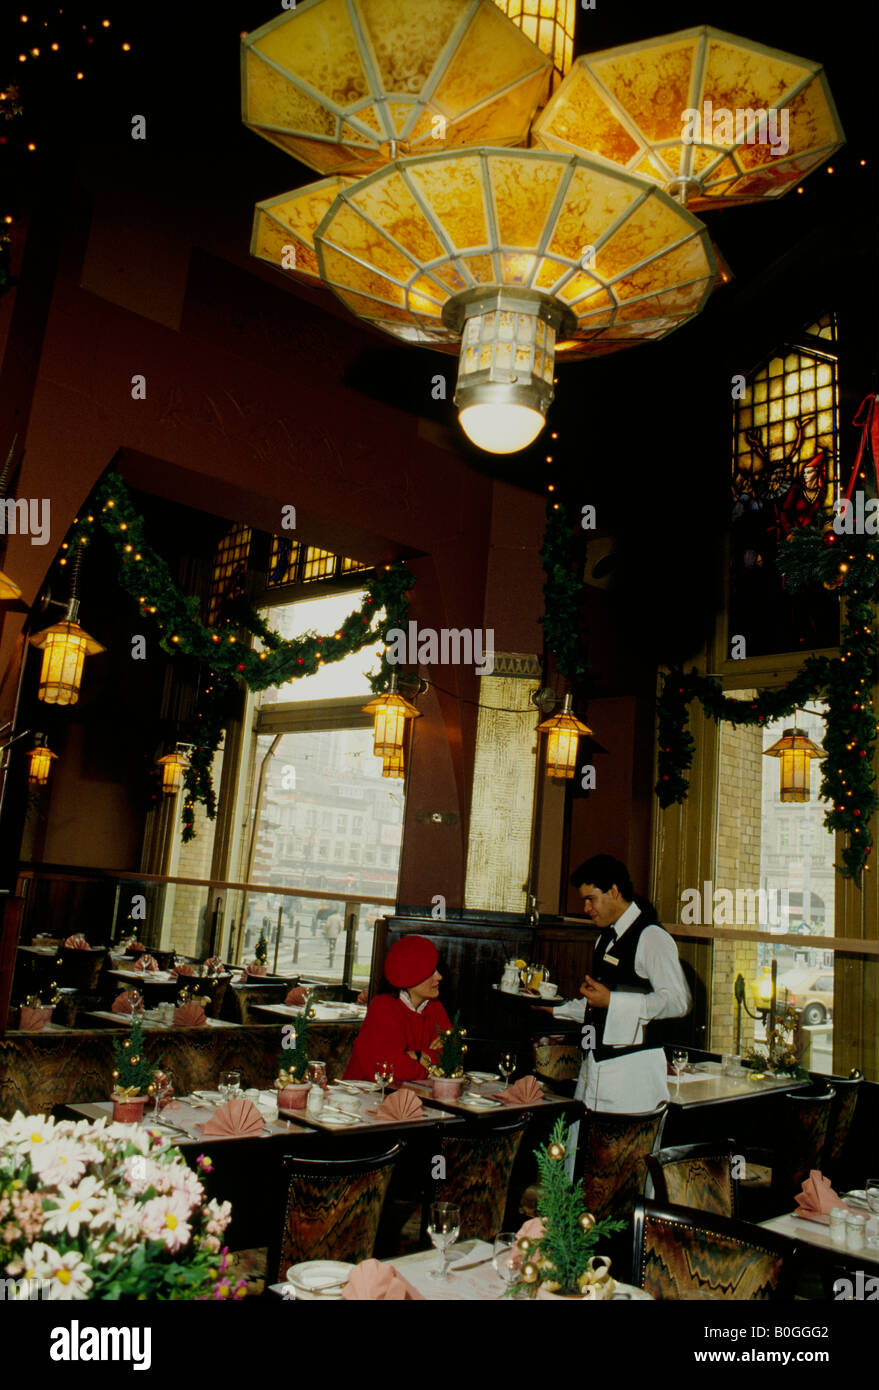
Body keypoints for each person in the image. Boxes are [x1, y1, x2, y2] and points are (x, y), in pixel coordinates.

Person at [550, 854, 691, 1115]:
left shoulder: (652, 937)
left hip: (634, 1075)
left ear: (614, 891)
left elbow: (677, 1002)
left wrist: (613, 1001)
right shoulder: (603, 939)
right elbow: (599, 1006)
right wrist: (553, 1009)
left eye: (590, 899)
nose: (586, 908)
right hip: (595, 1068)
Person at [343, 935, 452, 1082]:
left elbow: (454, 1056)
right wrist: (429, 1063)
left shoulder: (434, 1006)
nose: (439, 977)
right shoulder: (383, 1007)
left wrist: (418, 1056)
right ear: (410, 977)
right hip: (367, 1095)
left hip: (411, 1093)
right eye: (430, 972)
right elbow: (389, 1068)